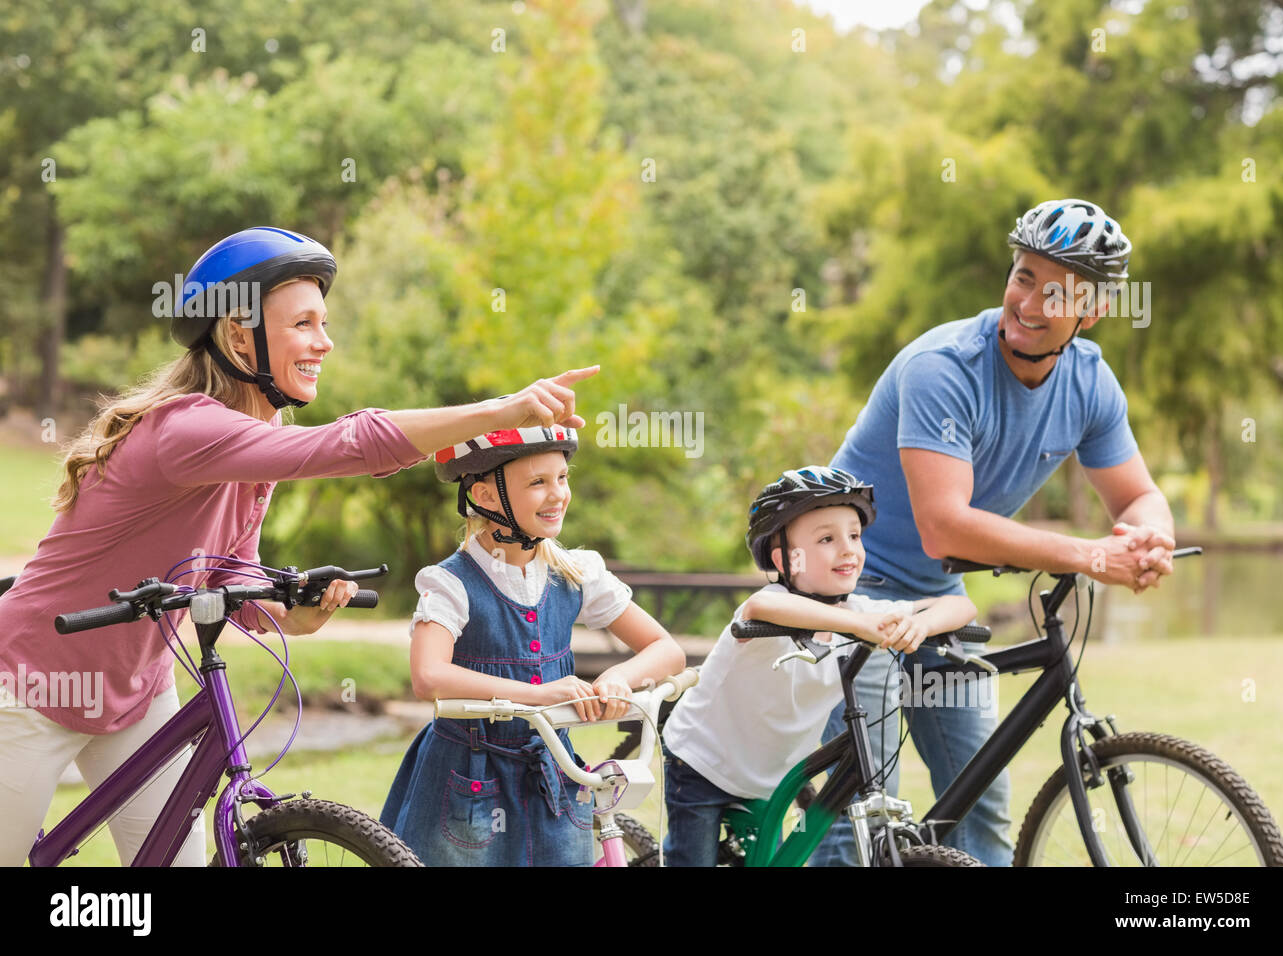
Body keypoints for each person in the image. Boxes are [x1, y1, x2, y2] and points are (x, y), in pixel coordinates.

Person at [0, 225, 598, 867]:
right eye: (304, 324)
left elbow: (231, 577)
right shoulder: (187, 429)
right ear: (238, 335)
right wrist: (502, 411)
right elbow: (347, 444)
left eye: (324, 322)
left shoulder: (254, 441)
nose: (325, 342)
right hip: (36, 681)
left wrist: (293, 615)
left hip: (137, 692)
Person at [812, 198, 1176, 867]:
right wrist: (1094, 555)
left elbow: (1139, 496)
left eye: (1057, 291)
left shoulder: (1090, 383)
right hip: (845, 592)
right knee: (862, 823)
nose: (1030, 303)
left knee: (979, 806)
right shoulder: (944, 367)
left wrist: (1150, 536)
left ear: (1091, 312)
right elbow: (943, 527)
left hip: (936, 603)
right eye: (1024, 276)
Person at [379, 425, 685, 866]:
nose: (558, 493)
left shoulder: (576, 573)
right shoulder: (451, 582)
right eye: (538, 482)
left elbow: (665, 650)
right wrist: (543, 696)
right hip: (466, 777)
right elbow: (429, 677)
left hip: (553, 774)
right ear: (485, 496)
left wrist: (619, 677)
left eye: (562, 477)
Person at [659, 466, 976, 866]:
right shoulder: (771, 610)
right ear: (783, 559)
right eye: (827, 538)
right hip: (703, 763)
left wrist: (921, 623)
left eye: (855, 536)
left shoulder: (863, 610)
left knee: (773, 861)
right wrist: (860, 625)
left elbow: (962, 606)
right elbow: (762, 605)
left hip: (770, 777)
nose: (847, 549)